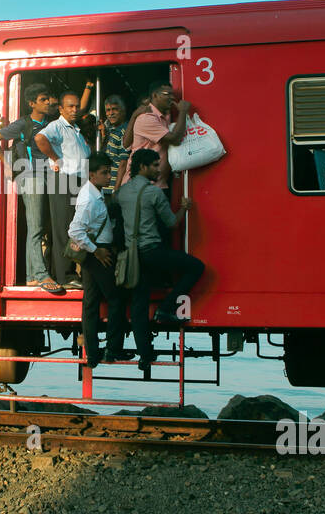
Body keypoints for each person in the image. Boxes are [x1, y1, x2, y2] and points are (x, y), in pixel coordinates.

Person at [116, 149, 205, 366]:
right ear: (143, 167)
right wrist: (184, 209)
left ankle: (145, 356)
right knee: (196, 267)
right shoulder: (154, 193)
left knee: (138, 306)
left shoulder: (123, 192)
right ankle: (166, 308)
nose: (159, 169)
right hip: (152, 252)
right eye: (155, 166)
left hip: (132, 256)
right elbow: (171, 223)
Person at [0, 83, 61, 294]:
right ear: (31, 103)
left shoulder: (50, 123)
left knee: (41, 227)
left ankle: (31, 277)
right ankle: (40, 274)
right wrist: (7, 162)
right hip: (30, 176)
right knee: (35, 226)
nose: (48, 102)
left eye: (48, 99)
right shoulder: (22, 124)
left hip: (47, 175)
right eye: (43, 100)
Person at [69, 152, 132, 368]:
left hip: (93, 253)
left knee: (91, 304)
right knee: (115, 299)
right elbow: (75, 230)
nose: (109, 176)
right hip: (99, 254)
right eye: (104, 173)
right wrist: (97, 250)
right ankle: (113, 350)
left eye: (109, 172)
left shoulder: (94, 193)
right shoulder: (89, 198)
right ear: (92, 174)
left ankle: (93, 355)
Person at [36, 91, 92, 289]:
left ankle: (63, 272)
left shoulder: (74, 128)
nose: (75, 110)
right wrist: (55, 158)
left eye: (77, 106)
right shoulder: (57, 126)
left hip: (76, 180)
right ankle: (65, 276)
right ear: (61, 108)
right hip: (63, 179)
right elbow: (39, 138)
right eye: (70, 106)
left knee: (71, 226)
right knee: (64, 228)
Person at [118, 82, 191, 193]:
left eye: (172, 94)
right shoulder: (147, 118)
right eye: (167, 94)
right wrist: (183, 111)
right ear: (155, 95)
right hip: (141, 189)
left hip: (155, 185)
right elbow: (174, 139)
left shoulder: (164, 116)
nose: (171, 97)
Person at [100, 95, 130, 196]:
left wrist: (116, 189)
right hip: (106, 188)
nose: (111, 113)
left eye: (114, 109)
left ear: (123, 111)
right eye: (108, 110)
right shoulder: (111, 130)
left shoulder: (125, 131)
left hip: (115, 189)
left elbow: (123, 163)